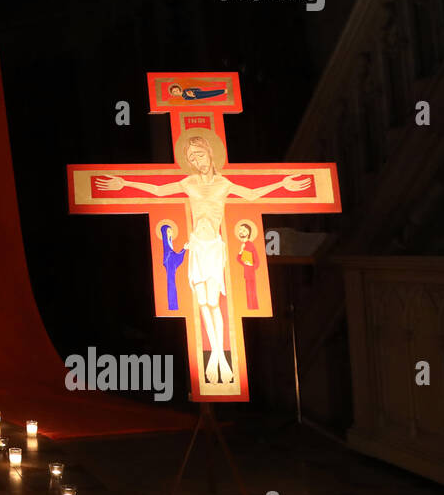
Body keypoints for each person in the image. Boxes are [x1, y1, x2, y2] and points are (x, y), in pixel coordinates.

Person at [96, 137, 311, 385]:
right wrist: (123, 183)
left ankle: (218, 356)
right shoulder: (189, 183)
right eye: (191, 159)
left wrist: (283, 184)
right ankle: (215, 358)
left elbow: (252, 195)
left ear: (209, 152)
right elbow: (157, 190)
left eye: (199, 154)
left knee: (214, 303)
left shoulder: (223, 184)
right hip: (197, 246)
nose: (197, 161)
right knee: (203, 304)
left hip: (214, 248)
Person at [160, 223, 185, 311]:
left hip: (170, 261)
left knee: (172, 283)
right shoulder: (166, 242)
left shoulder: (170, 242)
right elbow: (170, 253)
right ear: (165, 232)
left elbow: (173, 255)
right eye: (169, 231)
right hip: (169, 261)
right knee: (171, 284)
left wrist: (183, 250)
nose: (171, 233)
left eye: (171, 231)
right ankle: (173, 306)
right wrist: (183, 250)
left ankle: (173, 306)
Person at [236, 223, 260, 308]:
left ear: (248, 233)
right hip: (247, 274)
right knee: (249, 293)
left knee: (251, 293)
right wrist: (241, 251)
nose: (241, 232)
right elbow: (240, 260)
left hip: (250, 274)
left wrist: (251, 266)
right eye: (240, 230)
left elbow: (257, 262)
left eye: (243, 230)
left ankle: (253, 308)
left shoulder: (250, 245)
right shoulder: (244, 245)